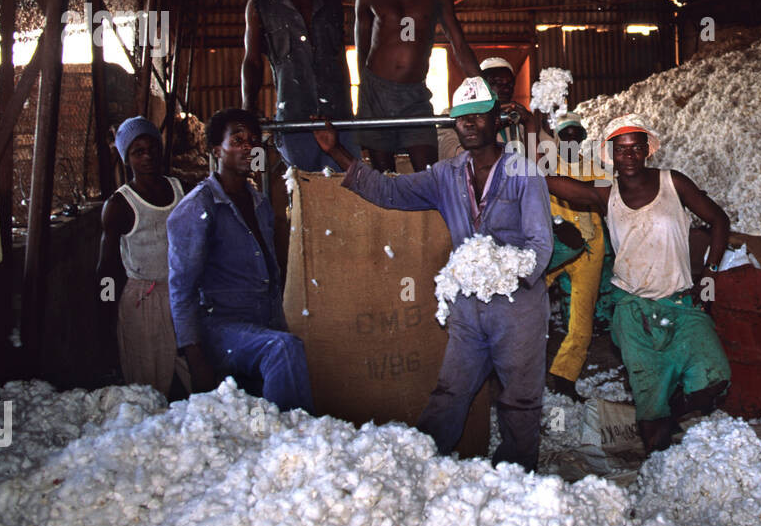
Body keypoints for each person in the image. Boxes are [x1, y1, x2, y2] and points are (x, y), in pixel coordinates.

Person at [313, 77, 552, 470]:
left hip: (518, 307)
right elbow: (390, 193)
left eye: (478, 116)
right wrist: (337, 151)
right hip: (467, 309)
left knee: (520, 400)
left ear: (496, 120)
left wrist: (499, 271)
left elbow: (540, 247)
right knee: (450, 391)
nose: (470, 124)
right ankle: (425, 468)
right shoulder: (446, 175)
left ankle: (517, 477)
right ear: (453, 125)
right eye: (461, 119)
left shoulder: (524, 173)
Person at [543, 115, 731, 453]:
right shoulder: (607, 195)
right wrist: (524, 171)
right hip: (633, 311)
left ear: (647, 150)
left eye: (635, 148)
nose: (628, 155)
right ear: (611, 154)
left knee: (714, 378)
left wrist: (710, 273)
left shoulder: (674, 183)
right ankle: (657, 458)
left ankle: (671, 410)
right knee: (650, 404)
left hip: (680, 304)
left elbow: (719, 219)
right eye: (621, 149)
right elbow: (559, 184)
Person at [167, 108, 314, 413]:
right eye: (237, 139)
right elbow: (182, 290)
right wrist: (196, 362)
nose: (248, 147)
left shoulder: (259, 203)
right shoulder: (198, 207)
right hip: (221, 329)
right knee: (283, 351)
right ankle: (292, 448)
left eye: (253, 140)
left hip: (261, 325)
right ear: (216, 151)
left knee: (263, 400)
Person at [354, 0, 482, 171]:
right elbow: (361, 51)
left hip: (415, 95)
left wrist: (483, 88)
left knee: (428, 171)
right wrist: (364, 100)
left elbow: (459, 44)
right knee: (384, 176)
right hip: (376, 93)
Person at [243, 0, 357, 170]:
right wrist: (248, 108)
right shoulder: (261, 4)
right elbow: (252, 60)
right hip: (294, 111)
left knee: (346, 181)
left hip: (337, 113)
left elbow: (340, 57)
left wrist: (351, 107)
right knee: (303, 184)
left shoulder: (331, 1)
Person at [97, 117, 190, 399]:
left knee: (190, 368)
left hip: (180, 292)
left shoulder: (181, 190)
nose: (148, 156)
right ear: (127, 159)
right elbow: (107, 266)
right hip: (143, 299)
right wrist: (106, 310)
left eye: (153, 149)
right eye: (138, 152)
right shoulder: (119, 205)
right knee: (148, 380)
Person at [544, 116, 608, 398]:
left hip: (590, 248)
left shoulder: (595, 168)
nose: (571, 140)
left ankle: (564, 376)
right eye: (565, 135)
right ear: (557, 139)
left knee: (582, 320)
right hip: (554, 248)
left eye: (575, 135)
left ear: (582, 138)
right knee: (526, 307)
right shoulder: (546, 167)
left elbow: (608, 205)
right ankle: (519, 371)